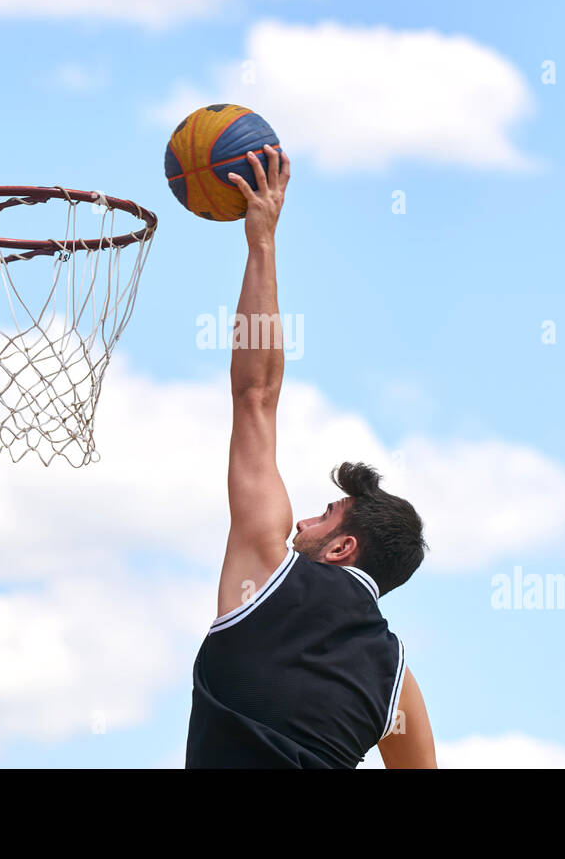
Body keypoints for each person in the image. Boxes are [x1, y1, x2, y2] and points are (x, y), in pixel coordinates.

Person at [184, 145, 436, 769]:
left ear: (343, 546)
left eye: (325, 514)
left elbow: (256, 395)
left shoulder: (267, 569)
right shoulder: (397, 683)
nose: (304, 522)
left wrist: (261, 242)